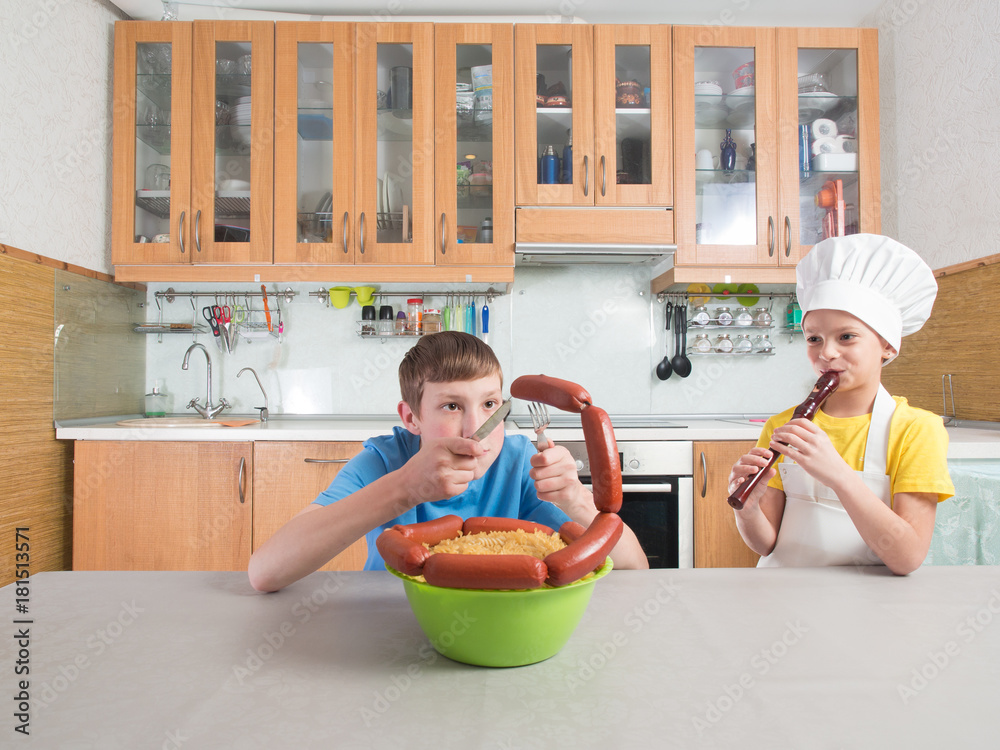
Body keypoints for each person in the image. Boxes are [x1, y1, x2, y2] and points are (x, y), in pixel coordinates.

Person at [248, 331, 648, 592]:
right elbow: (265, 573)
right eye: (452, 405)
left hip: (500, 619)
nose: (475, 428)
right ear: (412, 418)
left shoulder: (520, 461)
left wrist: (576, 499)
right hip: (391, 621)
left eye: (490, 404)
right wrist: (405, 488)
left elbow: (634, 569)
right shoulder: (384, 461)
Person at [729, 234, 954, 575]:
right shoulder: (781, 426)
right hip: (783, 597)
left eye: (846, 336)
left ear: (887, 346)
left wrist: (838, 475)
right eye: (814, 339)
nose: (826, 353)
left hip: (870, 605)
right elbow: (766, 544)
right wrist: (747, 508)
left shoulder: (916, 430)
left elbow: (906, 558)